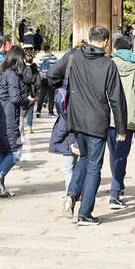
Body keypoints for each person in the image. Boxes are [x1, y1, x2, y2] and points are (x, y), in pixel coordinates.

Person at [48, 25, 126, 226]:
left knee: (83, 158)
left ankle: (72, 195)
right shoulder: (108, 65)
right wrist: (121, 128)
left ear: (89, 38)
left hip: (76, 118)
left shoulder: (73, 56)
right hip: (97, 120)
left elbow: (51, 76)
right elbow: (117, 99)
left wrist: (70, 88)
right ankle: (85, 213)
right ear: (106, 41)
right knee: (94, 166)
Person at [0, 46, 31, 197]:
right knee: (16, 152)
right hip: (8, 118)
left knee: (0, 152)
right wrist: (28, 101)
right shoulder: (11, 75)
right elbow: (16, 98)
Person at [108, 34, 135, 210]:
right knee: (122, 154)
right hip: (128, 115)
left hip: (109, 115)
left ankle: (117, 187)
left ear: (115, 48)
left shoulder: (109, 64)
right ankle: (115, 193)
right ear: (130, 49)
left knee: (113, 153)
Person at [47, 76, 79, 209]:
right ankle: (76, 191)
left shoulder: (63, 93)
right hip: (79, 134)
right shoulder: (77, 91)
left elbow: (64, 122)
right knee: (75, 165)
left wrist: (57, 138)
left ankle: (70, 193)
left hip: (68, 138)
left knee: (68, 168)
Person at [20, 45, 39, 133]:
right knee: (30, 110)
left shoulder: (21, 68)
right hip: (32, 91)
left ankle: (20, 124)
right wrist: (36, 90)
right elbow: (38, 82)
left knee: (22, 109)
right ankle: (29, 127)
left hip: (23, 91)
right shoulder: (35, 69)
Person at [37, 44, 57, 116]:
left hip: (43, 79)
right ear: (49, 50)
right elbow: (57, 67)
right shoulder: (53, 58)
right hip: (51, 79)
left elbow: (39, 68)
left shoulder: (41, 58)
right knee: (51, 96)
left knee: (41, 96)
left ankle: (38, 110)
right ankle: (50, 111)